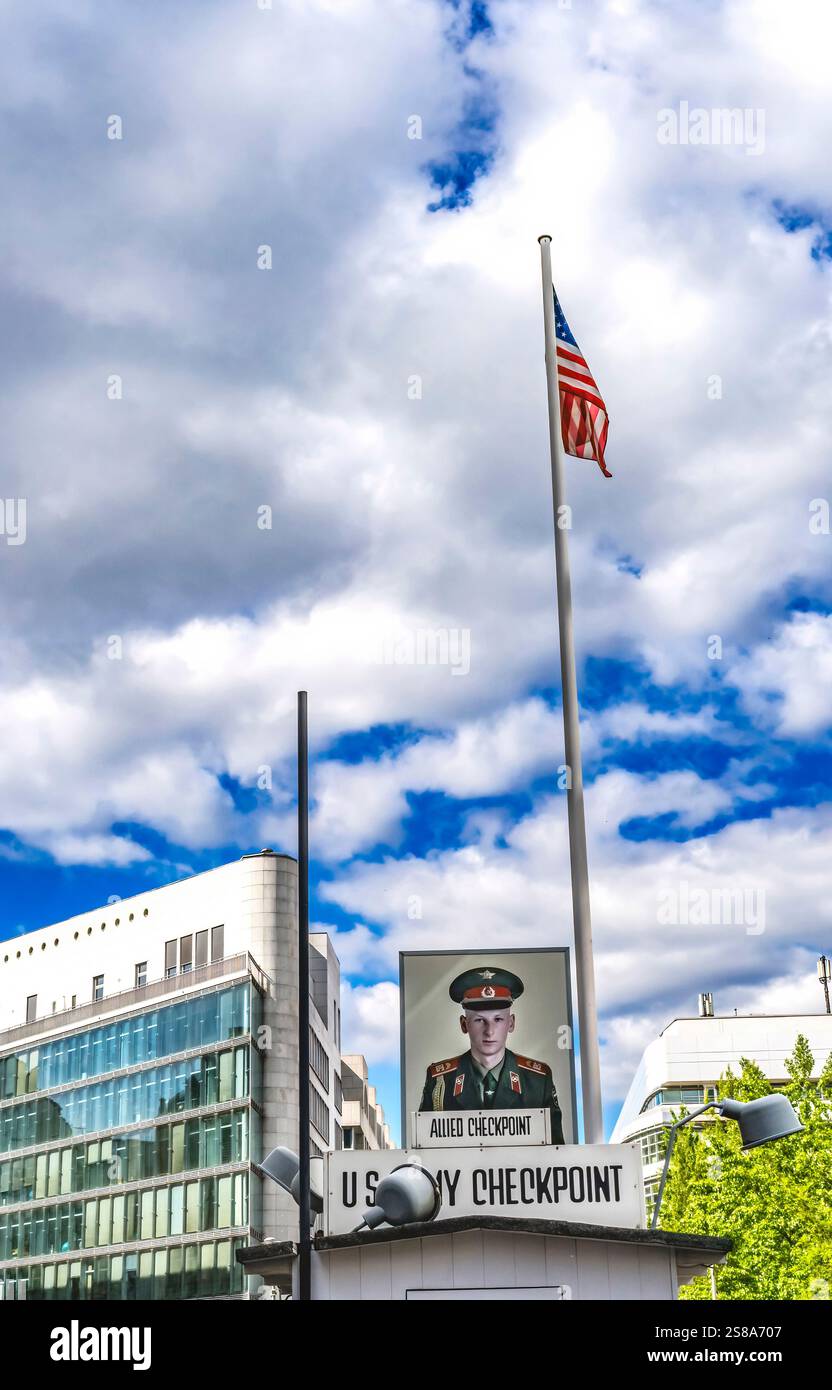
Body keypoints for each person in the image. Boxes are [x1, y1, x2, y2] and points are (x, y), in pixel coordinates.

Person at [418, 966, 565, 1144]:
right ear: (464, 1024)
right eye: (480, 1020)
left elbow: (556, 1155)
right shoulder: (440, 1080)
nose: (489, 1032)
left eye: (498, 1019)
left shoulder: (537, 1080)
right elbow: (425, 1151)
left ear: (511, 1023)